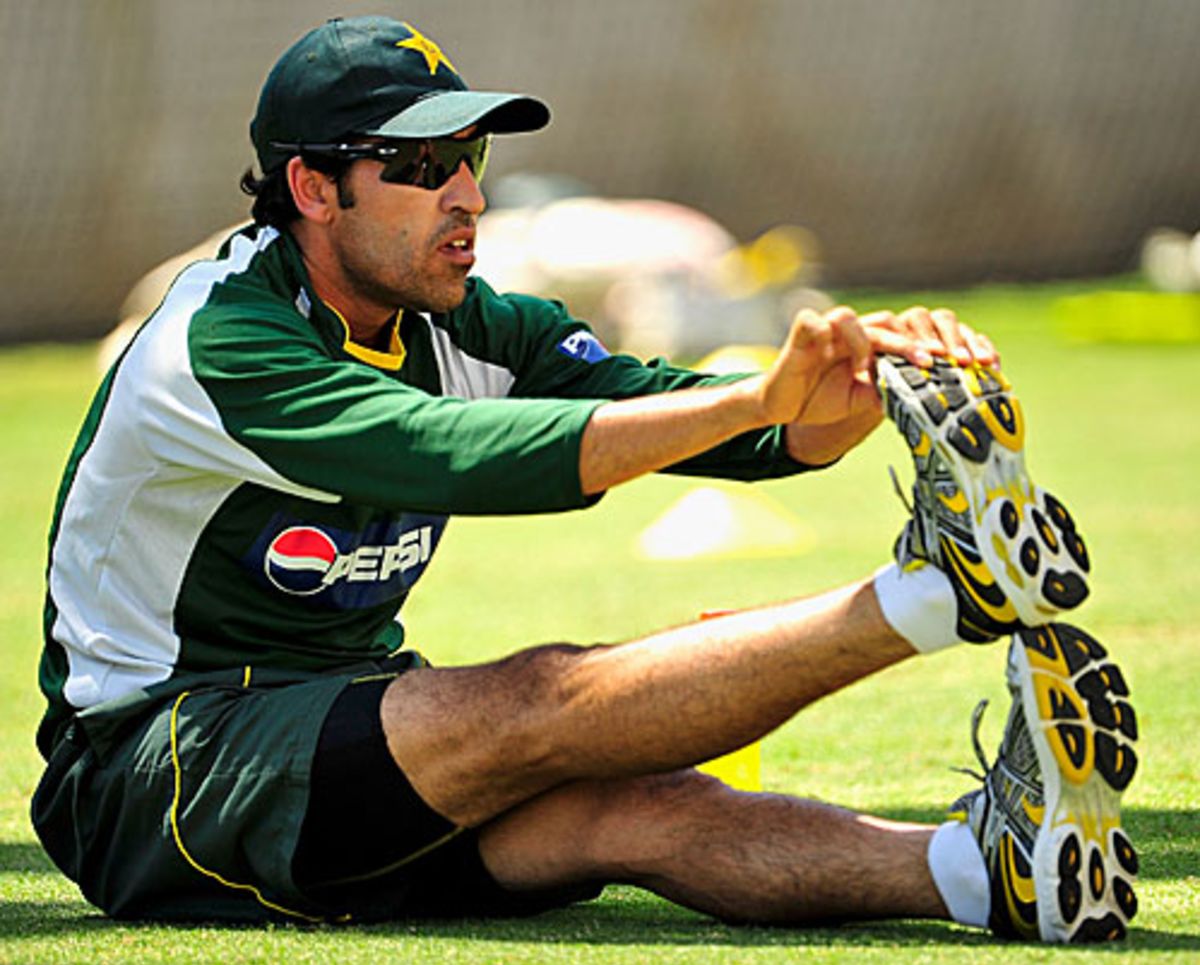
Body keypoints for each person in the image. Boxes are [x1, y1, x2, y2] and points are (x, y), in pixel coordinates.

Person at [32, 15, 1138, 943]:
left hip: (328, 744)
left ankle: (985, 871)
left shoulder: (460, 319)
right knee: (534, 696)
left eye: (472, 159)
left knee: (639, 809)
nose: (463, 194)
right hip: (157, 764)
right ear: (314, 188)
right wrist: (758, 395)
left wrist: (821, 409)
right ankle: (936, 594)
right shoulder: (225, 341)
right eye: (419, 169)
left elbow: (653, 401)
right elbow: (451, 451)